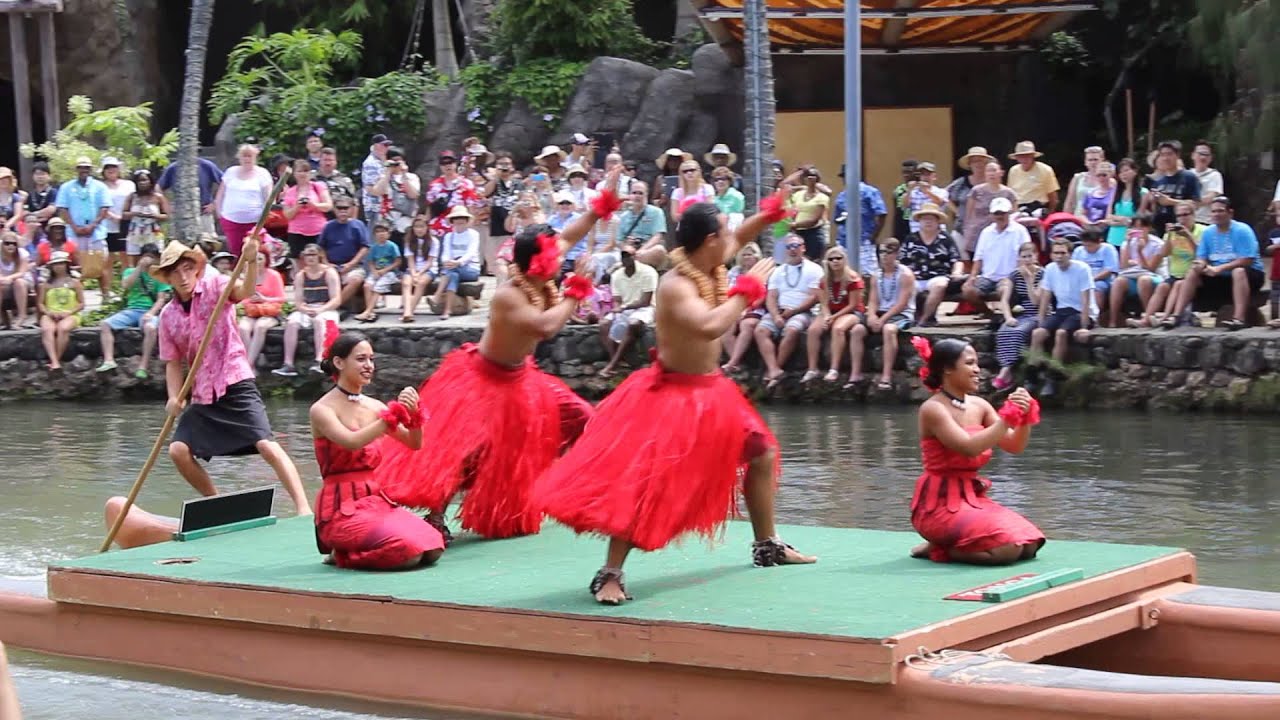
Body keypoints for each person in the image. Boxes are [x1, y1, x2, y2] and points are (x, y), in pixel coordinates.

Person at [534, 196, 817, 606]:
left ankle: (767, 545)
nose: (730, 236)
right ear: (708, 240)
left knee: (762, 454)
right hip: (672, 395)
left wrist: (770, 215)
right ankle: (610, 573)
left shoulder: (710, 263)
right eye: (722, 230)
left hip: (712, 390)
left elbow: (740, 235)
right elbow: (709, 326)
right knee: (646, 481)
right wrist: (747, 291)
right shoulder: (676, 285)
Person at [375, 170, 625, 541]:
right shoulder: (510, 295)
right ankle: (436, 514)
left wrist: (604, 201)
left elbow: (572, 233)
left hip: (523, 378)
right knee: (458, 450)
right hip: (482, 380)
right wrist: (576, 289)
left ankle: (559, 486)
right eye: (553, 254)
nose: (561, 255)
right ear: (538, 264)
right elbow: (544, 327)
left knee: (583, 417)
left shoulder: (541, 268)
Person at [152, 238, 311, 515]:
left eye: (188, 269)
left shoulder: (215, 285)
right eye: (176, 272)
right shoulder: (168, 316)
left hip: (234, 379)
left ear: (196, 269)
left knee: (266, 444)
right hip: (202, 390)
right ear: (167, 278)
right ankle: (218, 503)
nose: (183, 276)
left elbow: (245, 291)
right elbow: (173, 362)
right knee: (178, 450)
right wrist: (174, 397)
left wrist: (249, 261)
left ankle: (303, 508)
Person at [311, 332, 446, 569]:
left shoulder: (375, 406)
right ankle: (340, 554)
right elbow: (351, 442)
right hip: (340, 509)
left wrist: (413, 413)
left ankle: (349, 548)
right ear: (339, 363)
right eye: (361, 359)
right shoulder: (321, 409)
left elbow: (414, 443)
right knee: (408, 553)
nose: (369, 366)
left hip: (375, 501)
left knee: (433, 546)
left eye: (371, 359)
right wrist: (391, 418)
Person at [909, 337, 1045, 565]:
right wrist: (1006, 419)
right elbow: (968, 448)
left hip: (971, 499)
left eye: (977, 364)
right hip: (938, 505)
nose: (977, 370)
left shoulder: (980, 405)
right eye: (970, 363)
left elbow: (1014, 445)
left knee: (1028, 544)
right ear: (947, 369)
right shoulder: (933, 409)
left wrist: (1024, 416)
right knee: (1005, 551)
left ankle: (945, 543)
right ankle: (941, 550)